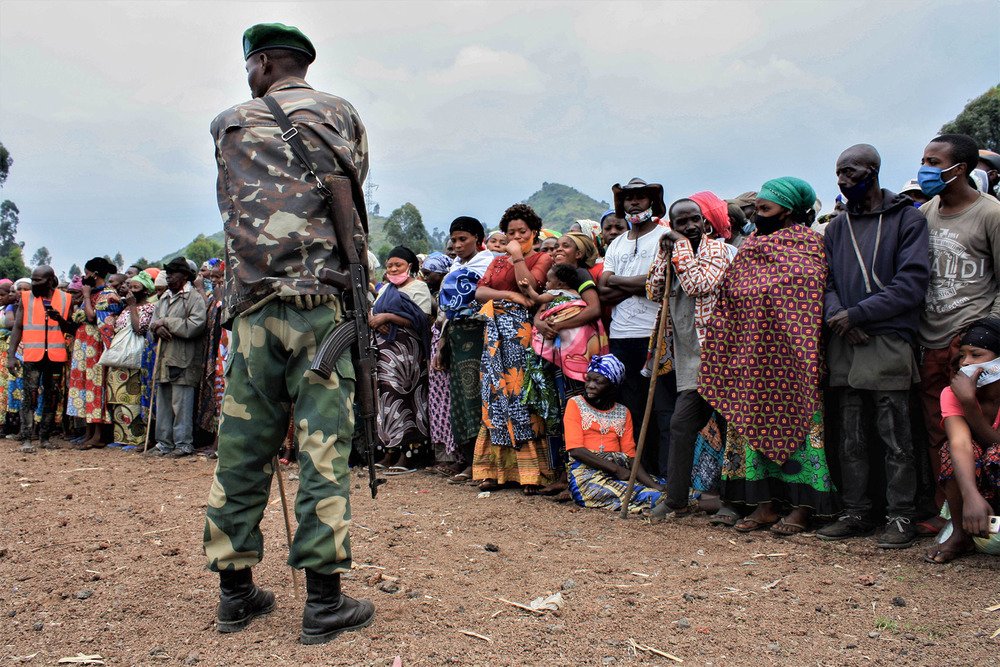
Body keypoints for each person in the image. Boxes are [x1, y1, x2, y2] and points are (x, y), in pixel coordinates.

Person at [203, 23, 374, 644]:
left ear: (267, 62)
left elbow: (232, 204)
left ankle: (235, 594)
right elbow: (353, 188)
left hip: (251, 310)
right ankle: (323, 601)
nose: (247, 74)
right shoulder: (340, 113)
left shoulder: (227, 124)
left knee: (242, 450)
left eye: (250, 64)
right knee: (321, 448)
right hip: (321, 308)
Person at [700, 177, 838, 534]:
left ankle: (803, 508)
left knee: (802, 433)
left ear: (787, 211)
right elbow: (730, 296)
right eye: (757, 207)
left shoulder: (810, 245)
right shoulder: (751, 246)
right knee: (749, 427)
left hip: (795, 360)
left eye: (765, 208)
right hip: (751, 356)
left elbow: (810, 300)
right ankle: (764, 506)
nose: (757, 215)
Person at [817, 144, 930, 548]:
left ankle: (901, 515)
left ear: (873, 170)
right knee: (851, 436)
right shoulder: (836, 227)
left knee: (895, 435)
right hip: (846, 340)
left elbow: (911, 283)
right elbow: (826, 282)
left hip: (888, 338)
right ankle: (856, 512)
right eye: (838, 173)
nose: (843, 180)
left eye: (850, 172)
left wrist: (858, 315)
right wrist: (840, 317)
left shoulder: (908, 219)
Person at [916, 134, 1000, 526]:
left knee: (978, 427)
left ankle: (983, 510)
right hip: (929, 339)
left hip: (971, 345)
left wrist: (981, 337)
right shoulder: (925, 212)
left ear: (960, 168)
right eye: (924, 161)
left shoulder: (990, 214)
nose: (925, 169)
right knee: (939, 430)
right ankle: (947, 512)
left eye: (934, 162)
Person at [647, 198, 730, 516]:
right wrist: (664, 255)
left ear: (705, 222)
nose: (690, 226)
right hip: (689, 357)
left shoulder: (719, 251)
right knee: (681, 425)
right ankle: (676, 499)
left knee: (730, 427)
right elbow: (653, 291)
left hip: (720, 354)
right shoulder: (670, 252)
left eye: (695, 219)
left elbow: (698, 285)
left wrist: (680, 247)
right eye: (682, 222)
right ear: (673, 225)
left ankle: (734, 500)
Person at [473, 203, 555, 493]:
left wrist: (518, 257)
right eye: (511, 233)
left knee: (521, 393)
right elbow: (480, 291)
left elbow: (530, 286)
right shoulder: (497, 261)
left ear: (534, 232)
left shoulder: (542, 258)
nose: (516, 237)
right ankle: (495, 471)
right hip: (494, 334)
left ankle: (530, 473)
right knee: (495, 393)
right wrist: (508, 295)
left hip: (523, 333)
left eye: (523, 232)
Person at [599, 178, 671, 476]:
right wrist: (640, 283)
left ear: (651, 201)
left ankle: (666, 475)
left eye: (640, 197)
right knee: (631, 407)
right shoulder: (617, 243)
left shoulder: (665, 236)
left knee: (662, 407)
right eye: (629, 198)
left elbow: (659, 283)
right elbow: (603, 289)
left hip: (655, 333)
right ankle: (641, 473)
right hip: (622, 336)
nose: (634, 203)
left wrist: (622, 282)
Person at [924, 318, 1000, 563]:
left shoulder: (965, 398)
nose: (966, 362)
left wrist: (969, 405)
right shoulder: (951, 393)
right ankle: (960, 534)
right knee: (949, 450)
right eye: (963, 356)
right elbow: (960, 444)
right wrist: (971, 496)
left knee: (997, 453)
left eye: (976, 355)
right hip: (979, 491)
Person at [564, 354, 666, 511]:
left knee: (666, 487)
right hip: (586, 476)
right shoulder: (575, 404)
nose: (590, 385)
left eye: (598, 381)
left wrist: (654, 484)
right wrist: (616, 469)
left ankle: (692, 501)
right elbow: (576, 450)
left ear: (612, 385)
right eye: (588, 380)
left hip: (619, 471)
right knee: (645, 495)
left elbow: (630, 456)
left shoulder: (623, 412)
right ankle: (684, 504)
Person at [437, 216, 495, 483]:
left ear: (478, 239)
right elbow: (448, 311)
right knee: (461, 399)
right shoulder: (455, 267)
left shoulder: (489, 263)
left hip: (481, 334)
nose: (457, 245)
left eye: (463, 239)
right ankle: (469, 460)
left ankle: (486, 465)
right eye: (454, 240)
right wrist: (442, 343)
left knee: (482, 397)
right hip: (457, 337)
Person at [370, 246, 433, 474]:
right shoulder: (385, 289)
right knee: (386, 398)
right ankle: (390, 449)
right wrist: (375, 320)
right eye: (390, 265)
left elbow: (422, 318)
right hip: (385, 354)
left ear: (410, 266)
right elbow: (373, 311)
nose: (393, 269)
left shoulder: (419, 287)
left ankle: (409, 453)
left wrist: (388, 317)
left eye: (398, 264)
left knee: (407, 398)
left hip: (408, 355)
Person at [6, 266, 74, 453]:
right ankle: (26, 439)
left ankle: (45, 438)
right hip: (32, 356)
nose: (34, 283)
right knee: (29, 397)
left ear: (50, 280)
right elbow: (18, 327)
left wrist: (59, 319)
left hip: (55, 357)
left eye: (38, 280)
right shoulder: (26, 298)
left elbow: (71, 328)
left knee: (51, 397)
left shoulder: (66, 298)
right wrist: (11, 356)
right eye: (33, 279)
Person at [147, 257, 207, 457]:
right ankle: (163, 443)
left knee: (181, 404)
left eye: (173, 273)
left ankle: (183, 444)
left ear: (185, 276)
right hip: (164, 357)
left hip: (184, 358)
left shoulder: (194, 298)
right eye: (168, 273)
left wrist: (166, 322)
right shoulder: (164, 298)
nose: (169, 277)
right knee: (163, 402)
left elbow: (195, 326)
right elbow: (152, 324)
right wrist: (157, 328)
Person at [66, 257, 121, 449]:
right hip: (84, 345)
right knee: (84, 385)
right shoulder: (93, 293)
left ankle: (98, 435)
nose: (84, 276)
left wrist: (87, 296)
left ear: (95, 274)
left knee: (95, 385)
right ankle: (88, 432)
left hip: (96, 346)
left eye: (87, 273)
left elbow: (92, 317)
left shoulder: (108, 294)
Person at [102, 272, 157, 450]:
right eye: (130, 286)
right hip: (120, 358)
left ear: (146, 291)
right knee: (117, 398)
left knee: (132, 399)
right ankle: (121, 436)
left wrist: (133, 306)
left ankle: (136, 438)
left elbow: (139, 329)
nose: (131, 290)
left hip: (135, 358)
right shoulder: (124, 308)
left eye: (136, 287)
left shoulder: (149, 308)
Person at [421, 252, 459, 475]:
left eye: (429, 273)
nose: (426, 277)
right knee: (438, 404)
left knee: (448, 402)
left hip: (445, 346)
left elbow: (443, 319)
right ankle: (443, 456)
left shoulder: (448, 289)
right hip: (436, 345)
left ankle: (455, 455)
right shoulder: (434, 292)